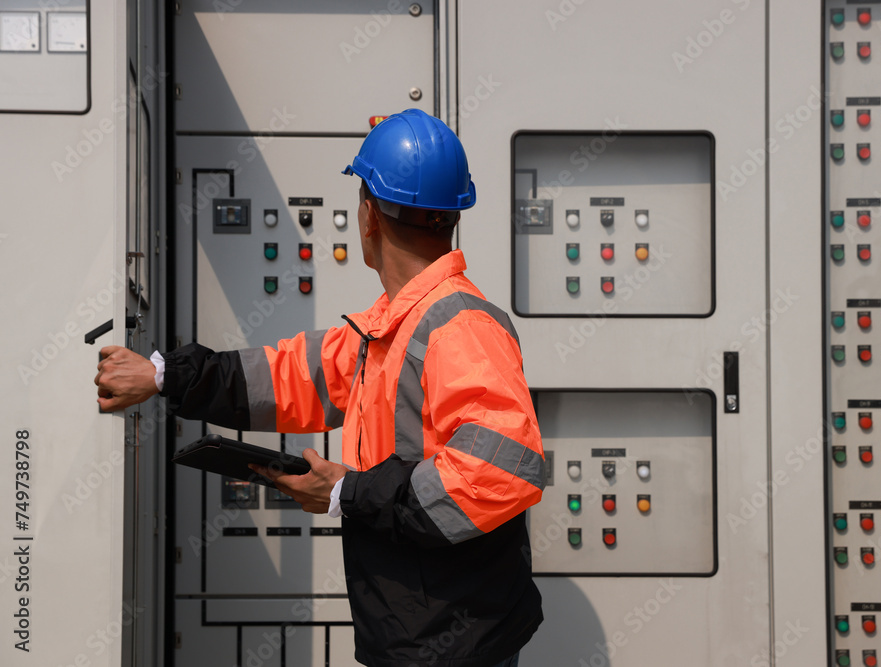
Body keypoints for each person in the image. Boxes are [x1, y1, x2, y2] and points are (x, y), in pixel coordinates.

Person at [95, 109, 544, 667]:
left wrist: (346, 494)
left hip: (454, 641)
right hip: (417, 631)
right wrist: (163, 375)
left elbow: (500, 473)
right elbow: (286, 377)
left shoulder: (461, 328)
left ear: (369, 214)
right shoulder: (391, 326)